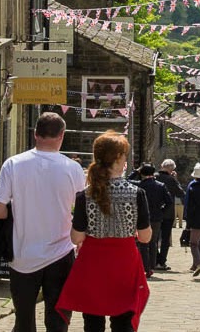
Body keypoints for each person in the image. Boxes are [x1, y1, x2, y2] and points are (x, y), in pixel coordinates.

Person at [0, 112, 86, 332]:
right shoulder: (73, 169)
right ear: (62, 135)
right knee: (58, 323)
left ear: (35, 134)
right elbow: (82, 214)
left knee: (23, 322)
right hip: (62, 253)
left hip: (23, 255)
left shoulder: (13, 164)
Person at [56, 132, 152, 332]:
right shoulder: (136, 193)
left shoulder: (86, 195)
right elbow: (145, 237)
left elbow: (76, 237)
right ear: (117, 158)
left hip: (93, 262)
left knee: (93, 320)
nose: (126, 158)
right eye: (124, 154)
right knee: (124, 319)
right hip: (124, 261)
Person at [135, 163, 171, 278]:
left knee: (142, 242)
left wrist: (136, 171)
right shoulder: (161, 186)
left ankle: (144, 266)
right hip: (156, 217)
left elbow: (128, 179)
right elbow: (169, 201)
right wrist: (162, 212)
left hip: (141, 217)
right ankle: (151, 266)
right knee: (153, 242)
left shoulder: (139, 186)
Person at [154, 159, 183, 271]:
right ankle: (162, 262)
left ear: (161, 166)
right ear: (172, 169)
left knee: (154, 238)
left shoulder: (154, 177)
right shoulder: (171, 180)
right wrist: (176, 180)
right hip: (168, 213)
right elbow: (180, 193)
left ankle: (155, 260)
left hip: (154, 212)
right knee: (166, 239)